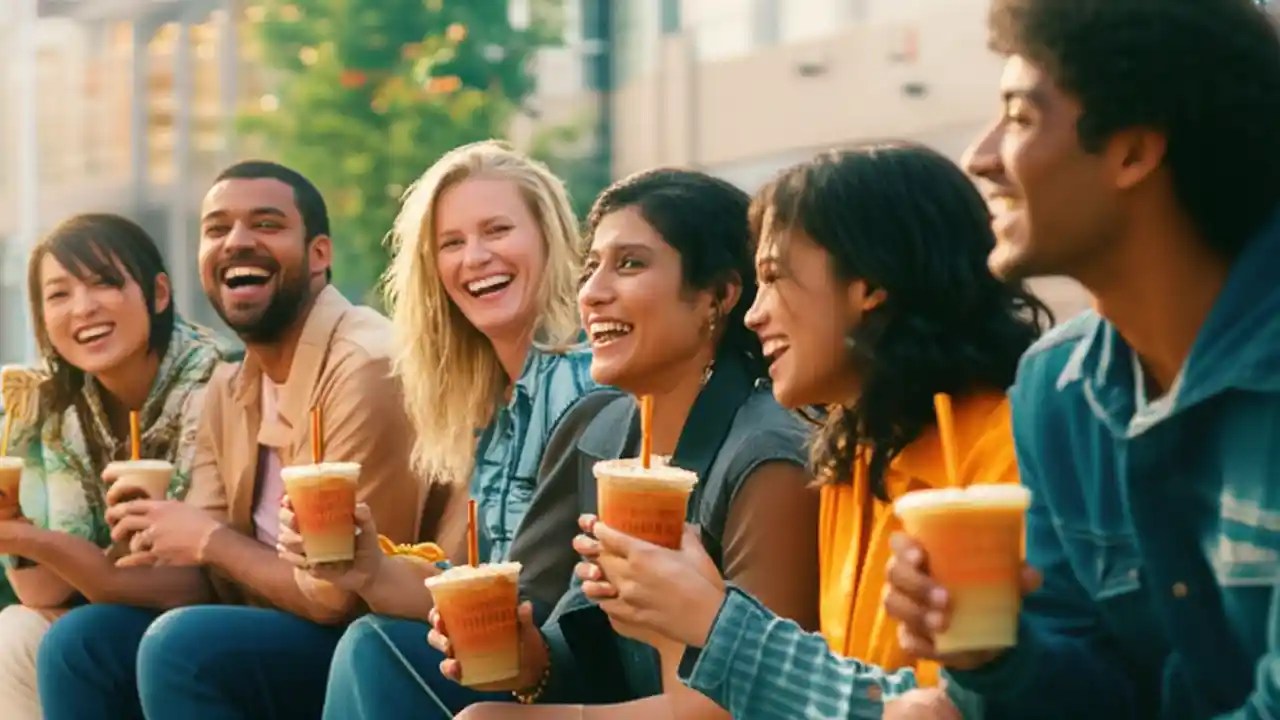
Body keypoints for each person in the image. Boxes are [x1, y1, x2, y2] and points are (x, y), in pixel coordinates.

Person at [458, 145, 1050, 720]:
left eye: (774, 278)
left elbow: (936, 706)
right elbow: (847, 687)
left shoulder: (1007, 451)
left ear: (868, 285)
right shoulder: (852, 454)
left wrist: (705, 619)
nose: (756, 313)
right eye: (591, 268)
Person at [883, 0, 1280, 718]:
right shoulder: (1054, 388)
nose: (980, 158)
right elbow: (1096, 690)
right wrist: (991, 655)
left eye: (1021, 117)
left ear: (1132, 151)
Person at [36, 161, 439, 720]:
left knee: (183, 647)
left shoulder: (365, 366)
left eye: (266, 224)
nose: (237, 242)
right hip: (272, 617)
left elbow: (338, 593)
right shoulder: (231, 383)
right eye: (217, 228)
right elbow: (209, 565)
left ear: (319, 254)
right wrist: (153, 536)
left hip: (368, 640)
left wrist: (204, 540)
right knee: (82, 643)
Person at [433, 167, 823, 719]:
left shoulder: (771, 455)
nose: (592, 293)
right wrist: (531, 663)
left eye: (630, 264)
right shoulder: (604, 432)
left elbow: (758, 703)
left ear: (718, 295)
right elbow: (593, 658)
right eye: (591, 267)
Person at [274, 141, 598, 719]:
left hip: (569, 675)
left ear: (549, 238)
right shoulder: (495, 399)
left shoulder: (576, 381)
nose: (474, 257)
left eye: (497, 230)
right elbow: (475, 589)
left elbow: (531, 606)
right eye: (452, 243)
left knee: (374, 647)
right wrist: (367, 566)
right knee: (369, 638)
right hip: (511, 661)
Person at [0, 214, 227, 719]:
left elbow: (195, 582)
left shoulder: (218, 386)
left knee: (79, 639)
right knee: (15, 632)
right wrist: (12, 522)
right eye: (58, 295)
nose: (83, 308)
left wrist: (32, 540)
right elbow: (42, 590)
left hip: (211, 620)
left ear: (159, 293)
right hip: (114, 620)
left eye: (104, 282)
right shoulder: (51, 412)